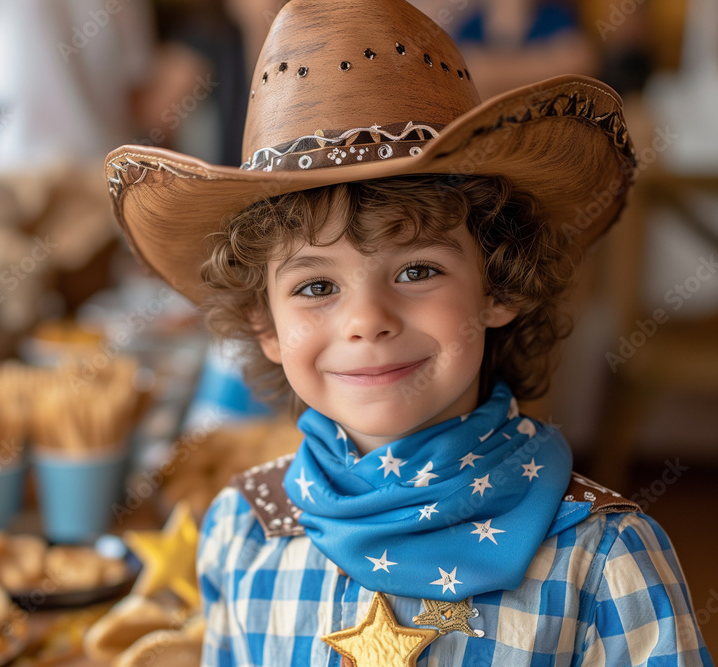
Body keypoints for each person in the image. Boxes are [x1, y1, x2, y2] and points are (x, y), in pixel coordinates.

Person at [103, 0, 713, 664]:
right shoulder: (240, 531)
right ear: (264, 322)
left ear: (500, 284)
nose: (367, 320)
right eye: (316, 286)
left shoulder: (603, 562)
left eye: (418, 268)